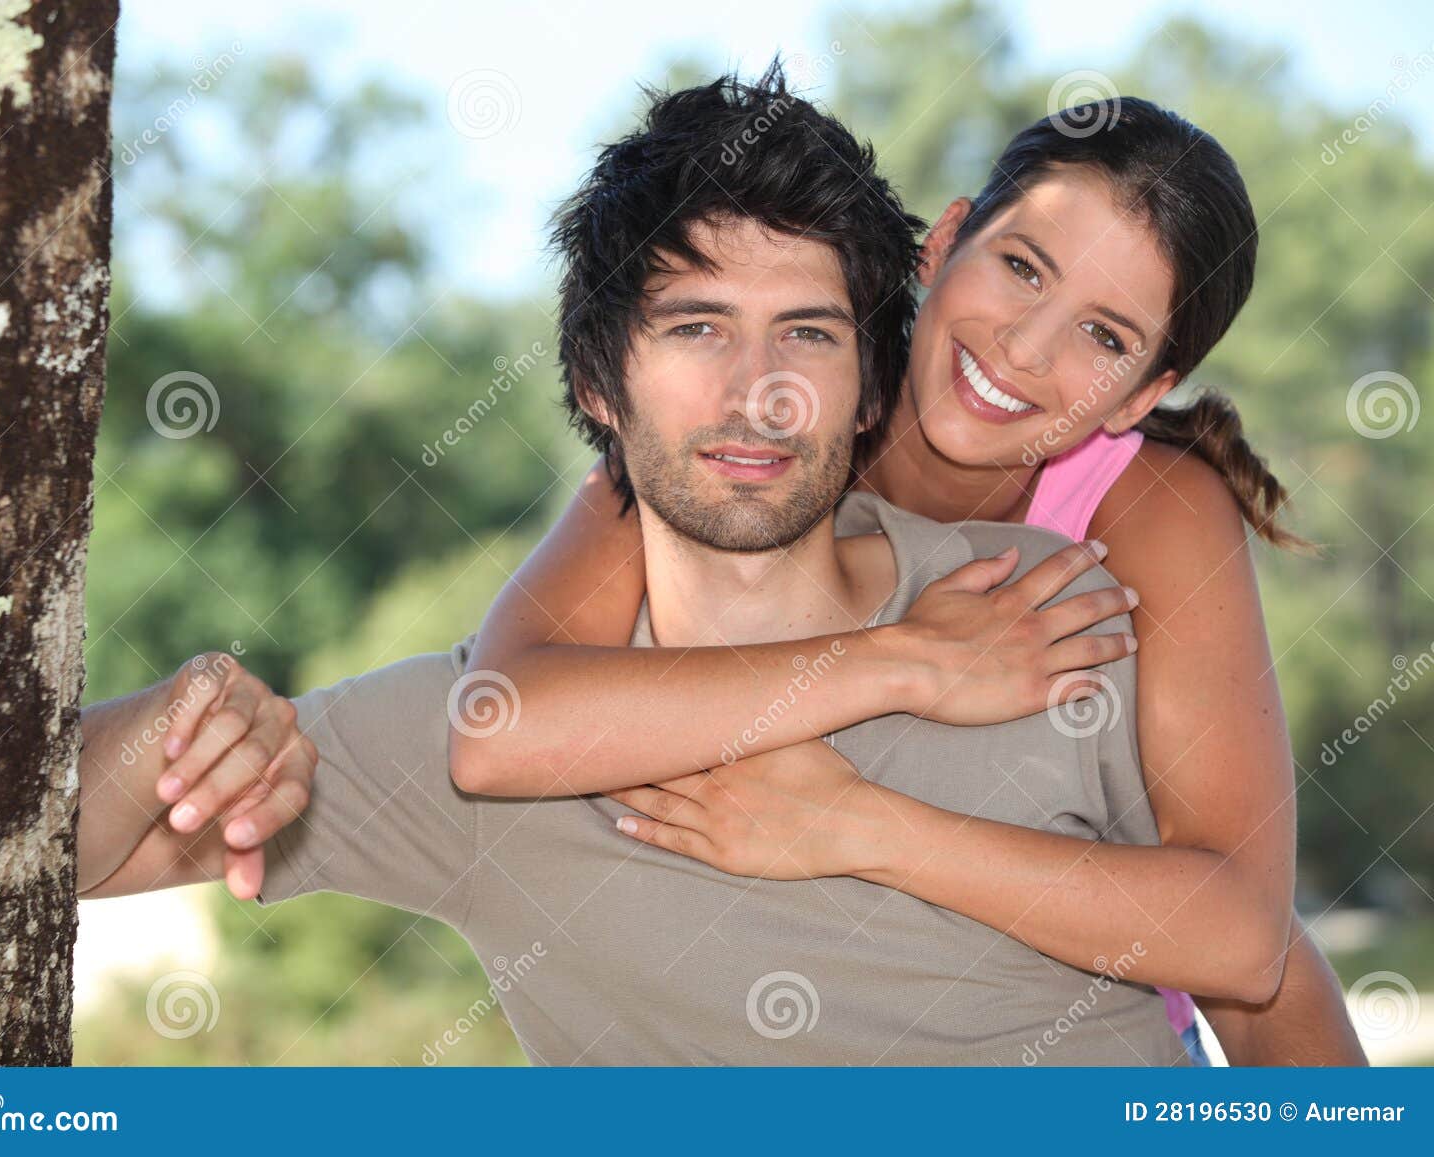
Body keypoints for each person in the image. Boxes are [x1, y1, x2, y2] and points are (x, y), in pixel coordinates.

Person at [76, 68, 1185, 1065]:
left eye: (807, 333)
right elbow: (55, 844)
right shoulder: (484, 738)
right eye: (697, 329)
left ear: (868, 390)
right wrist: (172, 722)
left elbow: (1239, 947)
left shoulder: (1036, 602)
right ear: (601, 385)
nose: (761, 391)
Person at [443, 71, 1363, 1065]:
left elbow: (1241, 939)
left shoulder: (1150, 512)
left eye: (1104, 336)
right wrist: (904, 658)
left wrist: (862, 825)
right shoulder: (751, 432)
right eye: (1020, 266)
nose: (1023, 345)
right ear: (947, 237)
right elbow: (501, 727)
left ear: (1145, 391)